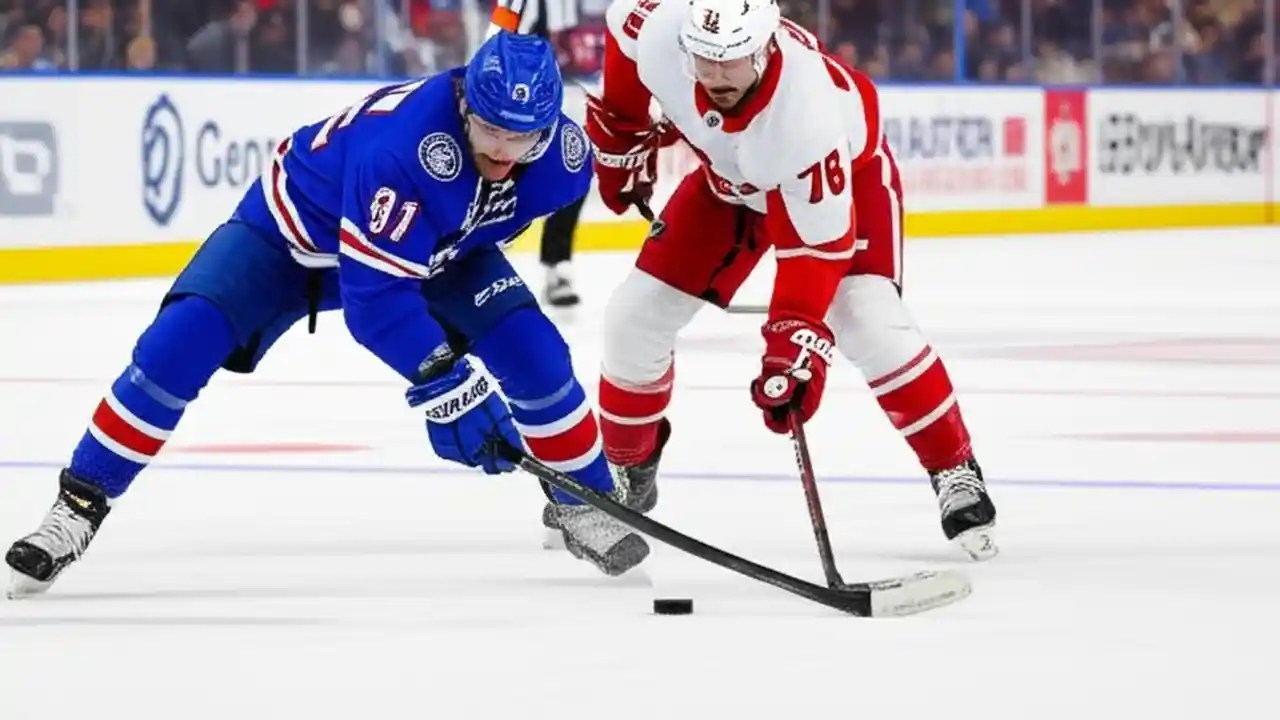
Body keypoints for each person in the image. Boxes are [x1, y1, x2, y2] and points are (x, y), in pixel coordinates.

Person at [5, 32, 649, 599]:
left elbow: (481, 221)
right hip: (289, 238)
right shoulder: (401, 153)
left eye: (523, 137)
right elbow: (376, 303)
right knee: (174, 348)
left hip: (436, 248)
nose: (506, 151)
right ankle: (78, 504)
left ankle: (584, 499)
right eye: (490, 132)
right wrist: (446, 381)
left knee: (535, 351)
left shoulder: (562, 162)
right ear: (464, 107)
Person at [576, 0, 998, 559]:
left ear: (765, 45)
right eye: (704, 58)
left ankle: (954, 468)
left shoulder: (808, 115)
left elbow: (815, 256)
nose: (715, 75)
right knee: (634, 316)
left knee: (868, 319)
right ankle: (630, 469)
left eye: (731, 60)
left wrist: (792, 351)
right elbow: (622, 37)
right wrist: (622, 138)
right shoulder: (662, 31)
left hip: (849, 179)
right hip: (728, 183)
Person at [488, 0, 589, 307]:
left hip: (584, 93)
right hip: (528, 96)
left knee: (573, 177)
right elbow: (495, 38)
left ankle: (558, 266)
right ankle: (481, 267)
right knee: (502, 183)